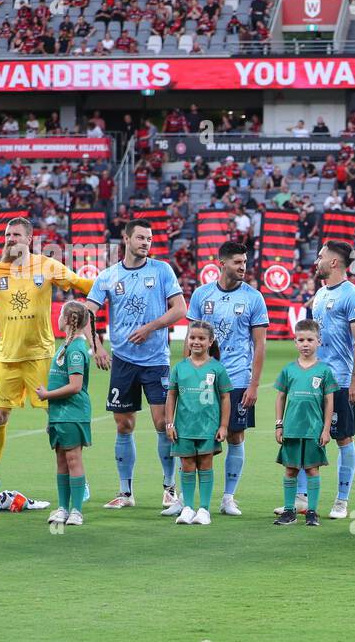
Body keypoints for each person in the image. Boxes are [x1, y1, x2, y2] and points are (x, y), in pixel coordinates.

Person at [0, 217, 105, 501]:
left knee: (57, 417)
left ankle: (78, 479)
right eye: (8, 234)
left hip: (41, 356)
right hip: (7, 357)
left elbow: (75, 282)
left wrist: (106, 283)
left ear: (29, 239)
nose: (10, 239)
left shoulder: (46, 265)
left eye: (16, 235)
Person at [86, 218, 187, 511]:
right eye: (141, 238)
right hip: (124, 361)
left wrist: (151, 327)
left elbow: (180, 309)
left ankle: (169, 489)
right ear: (126, 239)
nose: (146, 243)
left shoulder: (162, 270)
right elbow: (87, 312)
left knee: (162, 423)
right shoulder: (108, 276)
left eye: (149, 238)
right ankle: (125, 492)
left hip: (156, 361)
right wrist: (97, 347)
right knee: (124, 425)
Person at [184, 241, 267, 518]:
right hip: (202, 378)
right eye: (237, 262)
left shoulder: (254, 298)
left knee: (235, 435)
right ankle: (186, 499)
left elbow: (260, 345)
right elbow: (190, 338)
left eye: (244, 262)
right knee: (194, 435)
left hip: (237, 378)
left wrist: (254, 384)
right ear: (222, 263)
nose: (243, 267)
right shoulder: (201, 295)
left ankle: (228, 497)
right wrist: (186, 373)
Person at [306, 241, 355, 519]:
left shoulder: (351, 295)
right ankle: (302, 499)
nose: (316, 260)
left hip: (340, 381)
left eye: (321, 256)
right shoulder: (319, 294)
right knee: (307, 437)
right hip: (315, 379)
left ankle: (341, 501)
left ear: (333, 262)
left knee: (343, 438)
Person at [164, 321, 231, 526]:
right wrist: (169, 423)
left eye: (201, 338)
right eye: (192, 337)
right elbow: (171, 396)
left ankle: (204, 509)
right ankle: (188, 508)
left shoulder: (217, 368)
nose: (196, 342)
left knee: (205, 465)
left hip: (208, 427)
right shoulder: (180, 367)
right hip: (184, 427)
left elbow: (225, 398)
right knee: (187, 466)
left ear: (210, 341)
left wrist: (223, 426)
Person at [36, 301, 94, 529]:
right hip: (59, 414)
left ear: (69, 320)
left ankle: (77, 510)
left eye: (60, 315)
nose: (57, 318)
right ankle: (62, 507)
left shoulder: (77, 349)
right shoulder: (66, 346)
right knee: (61, 460)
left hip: (73, 413)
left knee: (73, 459)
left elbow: (76, 385)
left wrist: (47, 394)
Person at [274, 319, 337, 527]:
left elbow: (329, 401)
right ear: (295, 342)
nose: (305, 344)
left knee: (312, 470)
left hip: (313, 429)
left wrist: (326, 429)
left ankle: (312, 511)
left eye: (310, 340)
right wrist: (279, 424)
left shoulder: (324, 371)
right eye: (301, 340)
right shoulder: (288, 370)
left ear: (319, 341)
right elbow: (281, 397)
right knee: (290, 469)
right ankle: (289, 511)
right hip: (291, 429)